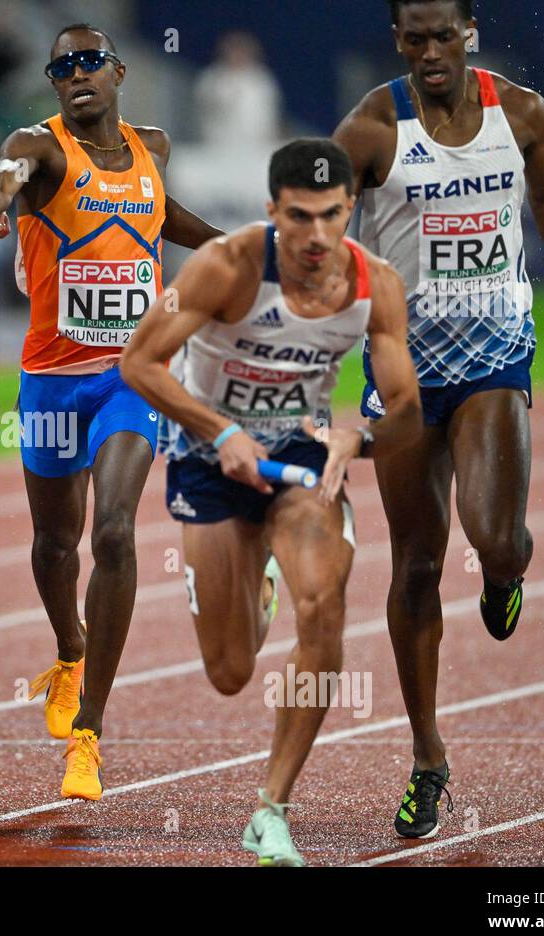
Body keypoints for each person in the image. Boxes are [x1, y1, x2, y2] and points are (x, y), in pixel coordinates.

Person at [332, 0, 544, 836]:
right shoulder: (372, 129)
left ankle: (505, 573)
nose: (430, 52)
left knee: (495, 534)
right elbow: (316, 230)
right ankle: (427, 759)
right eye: (414, 39)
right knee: (414, 567)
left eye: (443, 35)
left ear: (468, 32)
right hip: (405, 365)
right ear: (398, 43)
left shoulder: (520, 112)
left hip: (493, 352)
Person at [0, 22, 236, 801]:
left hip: (130, 378)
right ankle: (69, 650)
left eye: (88, 63)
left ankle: (90, 733)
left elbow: (160, 214)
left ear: (117, 71)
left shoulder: (153, 146)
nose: (75, 75)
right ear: (53, 84)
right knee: (55, 542)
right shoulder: (38, 147)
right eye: (61, 67)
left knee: (113, 530)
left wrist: (237, 249)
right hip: (51, 381)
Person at [123, 138, 421, 865]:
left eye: (330, 216)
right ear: (271, 212)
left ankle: (272, 809)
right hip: (208, 457)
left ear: (351, 209)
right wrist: (220, 429)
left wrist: (363, 441)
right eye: (298, 218)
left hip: (300, 457)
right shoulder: (225, 266)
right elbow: (140, 362)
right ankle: (255, 584)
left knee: (322, 603)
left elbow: (407, 403)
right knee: (229, 672)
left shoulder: (373, 284)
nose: (316, 236)